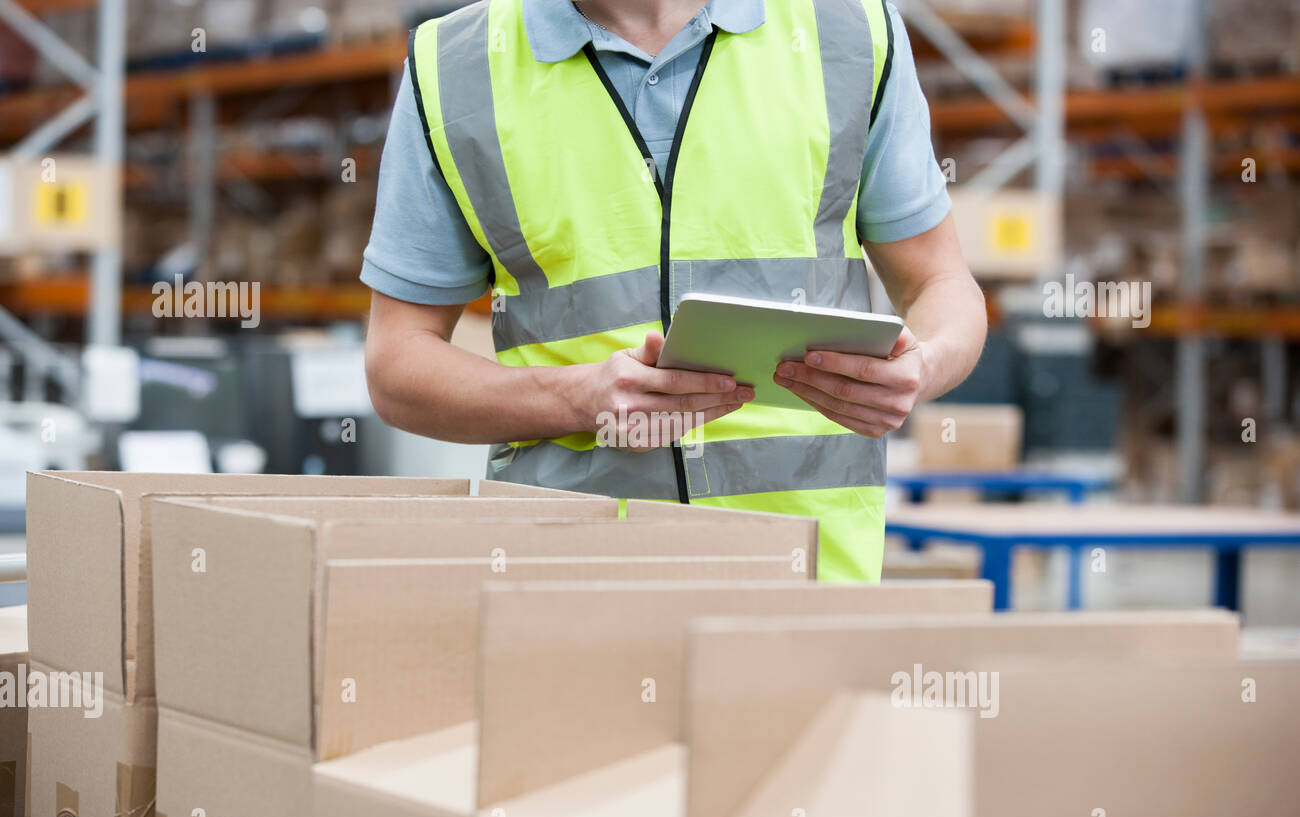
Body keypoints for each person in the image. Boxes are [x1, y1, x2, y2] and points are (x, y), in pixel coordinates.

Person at [362, 0, 987, 580]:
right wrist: (577, 398)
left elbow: (941, 282)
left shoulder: (847, 31)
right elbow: (396, 364)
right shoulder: (455, 66)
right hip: (565, 584)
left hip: (808, 578)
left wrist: (922, 369)